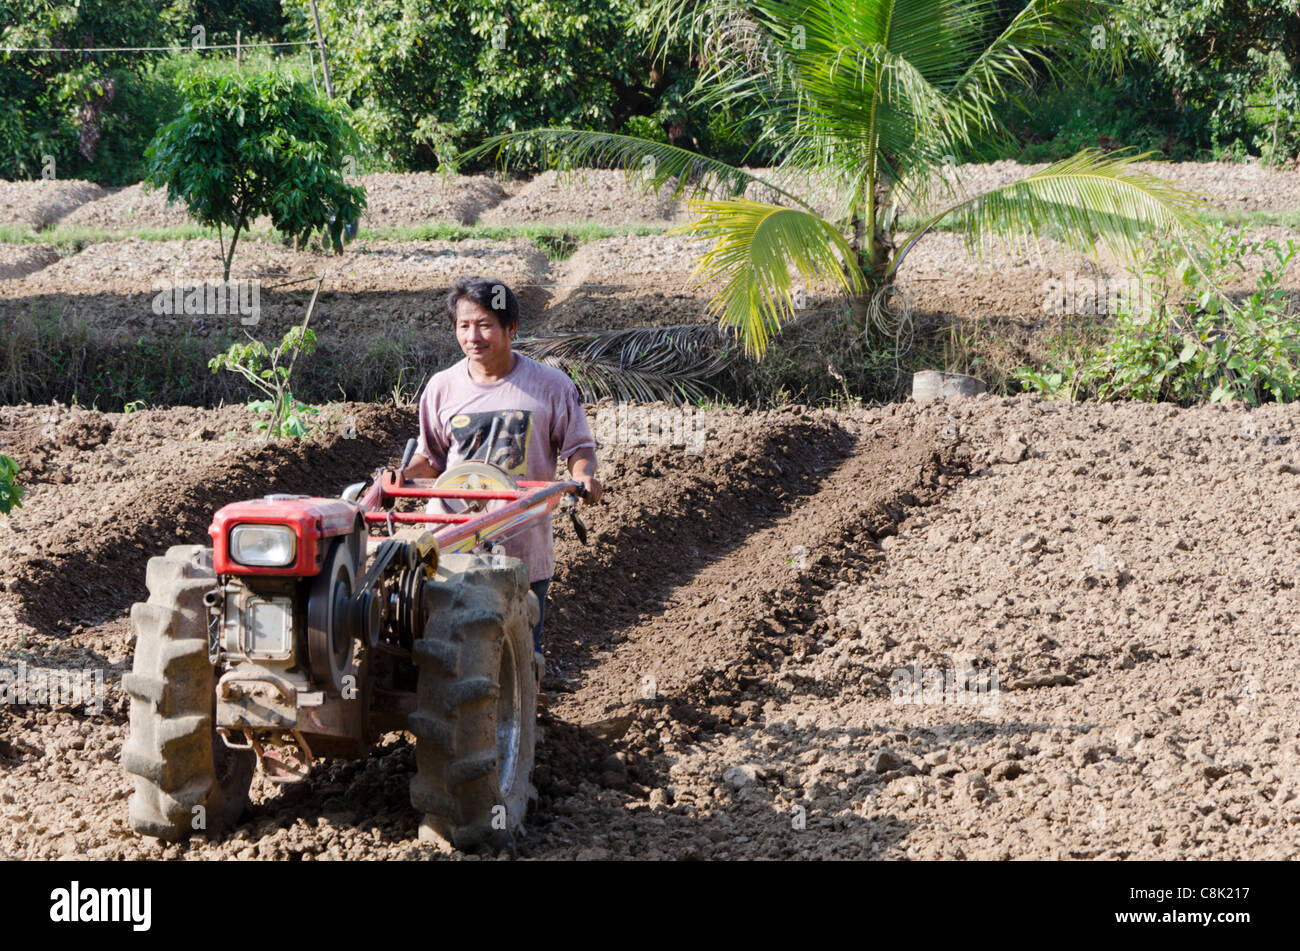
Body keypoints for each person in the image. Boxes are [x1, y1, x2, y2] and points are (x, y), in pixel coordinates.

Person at [401, 276, 602, 674]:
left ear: (511, 328)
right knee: (440, 647)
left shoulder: (549, 386)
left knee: (519, 656)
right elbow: (432, 459)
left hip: (521, 544)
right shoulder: (442, 387)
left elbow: (579, 448)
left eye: (485, 324)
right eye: (463, 325)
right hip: (450, 542)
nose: (473, 336)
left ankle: (522, 728)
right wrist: (399, 475)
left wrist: (585, 477)